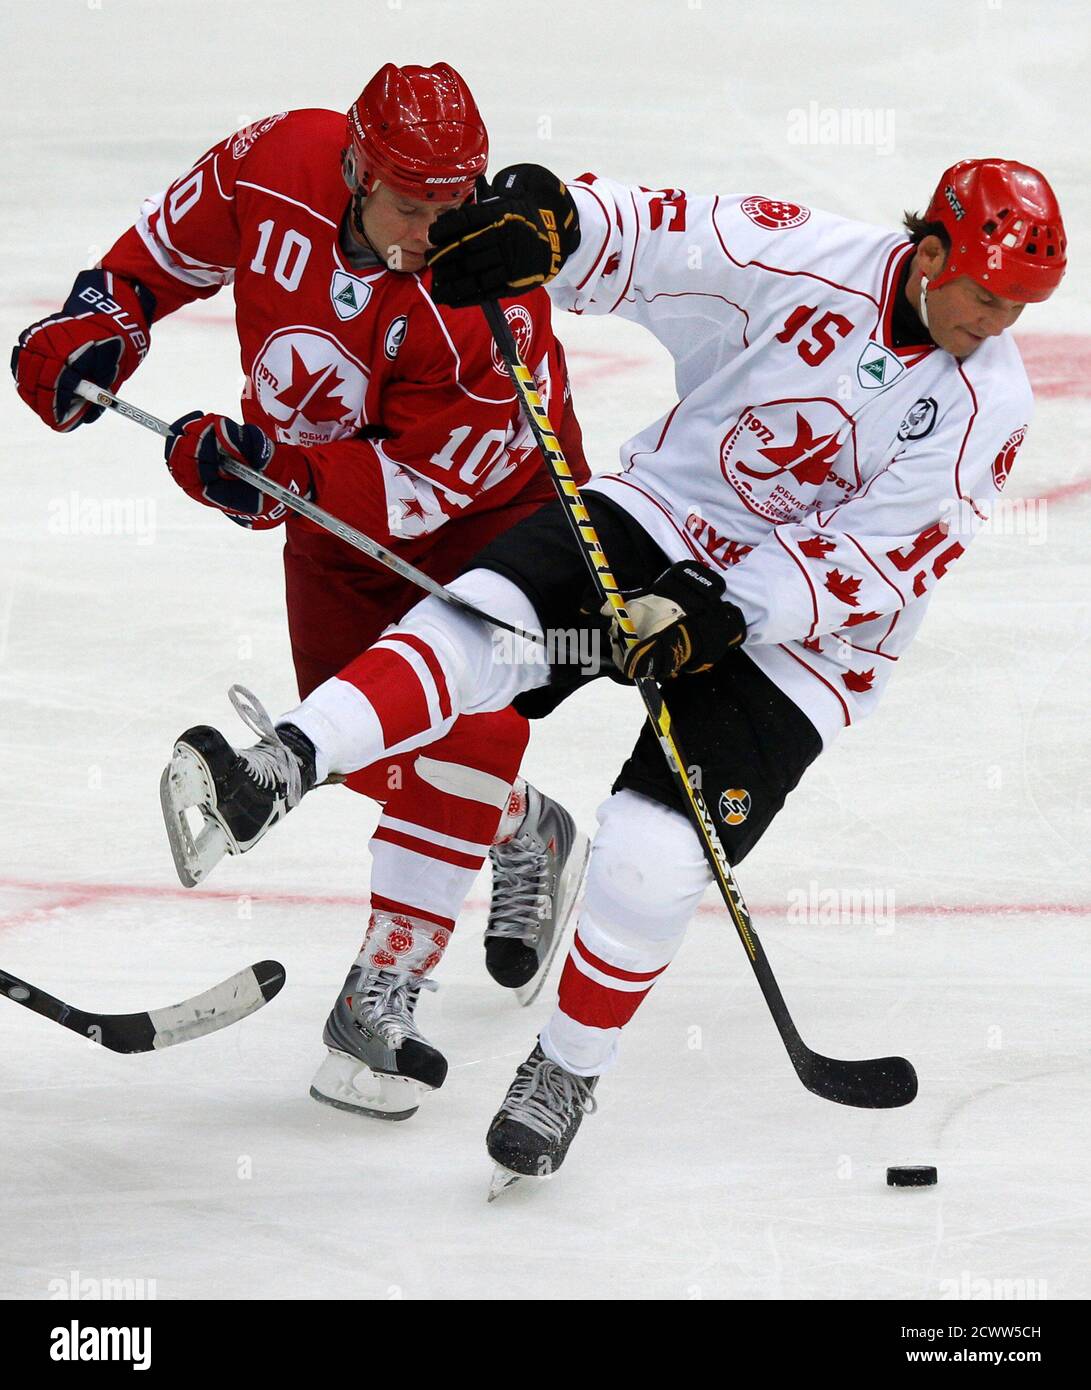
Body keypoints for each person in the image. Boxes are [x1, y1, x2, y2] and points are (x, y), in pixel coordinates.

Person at [157, 154, 1065, 1187]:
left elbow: (875, 561)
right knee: (481, 624)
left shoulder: (986, 407)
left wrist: (718, 614)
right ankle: (280, 763)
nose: (994, 322)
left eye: (1018, 307)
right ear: (931, 252)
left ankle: (567, 1067)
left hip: (809, 638)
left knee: (646, 853)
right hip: (670, 513)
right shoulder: (807, 258)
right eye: (985, 295)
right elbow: (664, 232)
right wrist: (555, 224)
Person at [10, 65, 593, 1124]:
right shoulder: (278, 158)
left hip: (499, 522)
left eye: (448, 206)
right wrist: (104, 320)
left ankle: (386, 989)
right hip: (331, 515)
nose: (430, 230)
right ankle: (526, 831)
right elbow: (171, 244)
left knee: (460, 726)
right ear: (355, 167)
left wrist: (271, 472)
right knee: (362, 749)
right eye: (410, 207)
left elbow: (430, 482)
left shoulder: (479, 295)